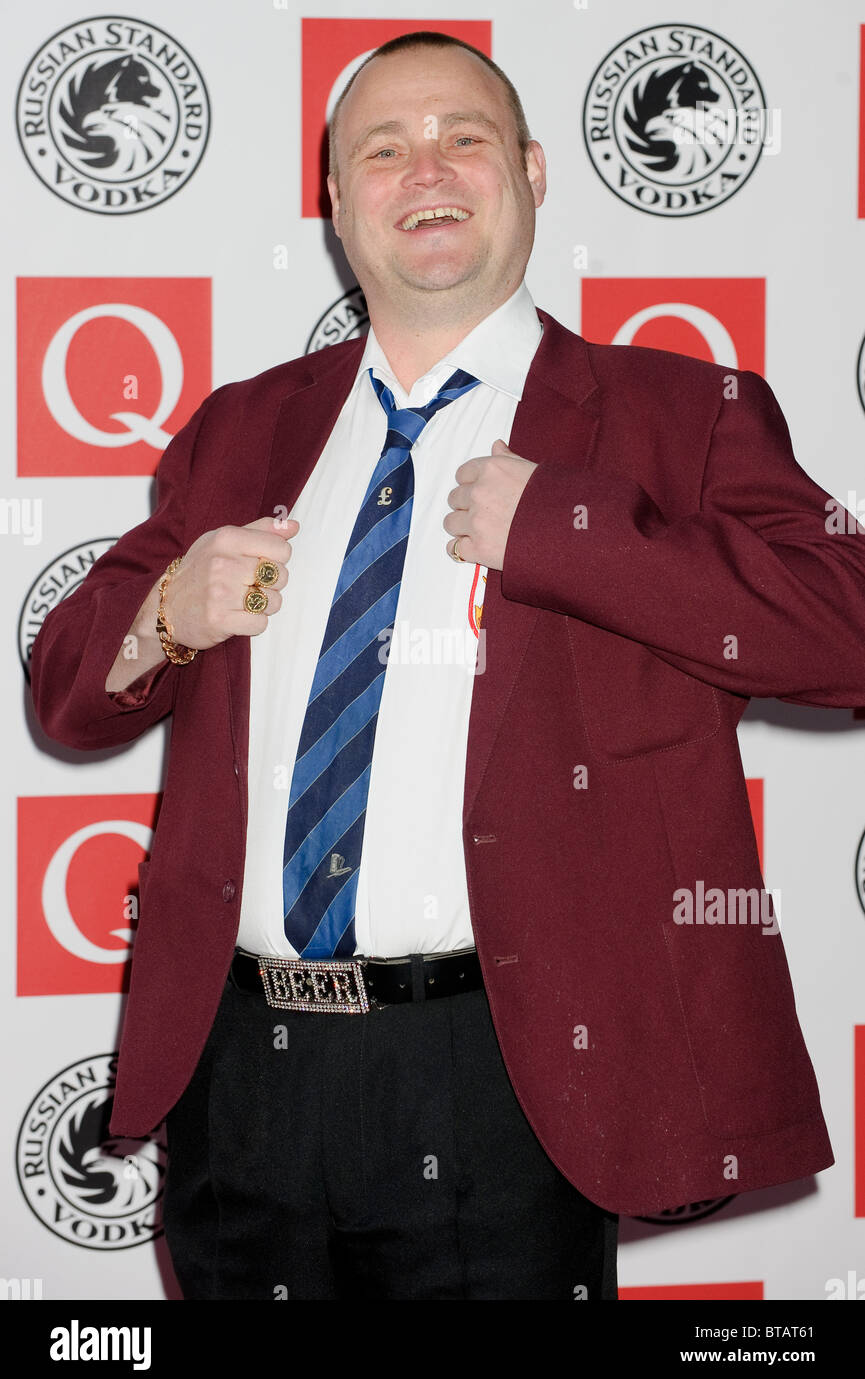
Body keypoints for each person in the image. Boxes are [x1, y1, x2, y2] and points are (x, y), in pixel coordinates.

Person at [30, 31, 865, 1301]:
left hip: (509, 1075)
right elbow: (67, 691)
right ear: (335, 205)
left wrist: (567, 531)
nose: (426, 167)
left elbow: (845, 629)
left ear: (530, 170)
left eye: (464, 137)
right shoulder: (241, 428)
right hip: (238, 1075)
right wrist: (165, 612)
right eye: (382, 147)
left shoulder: (681, 415)